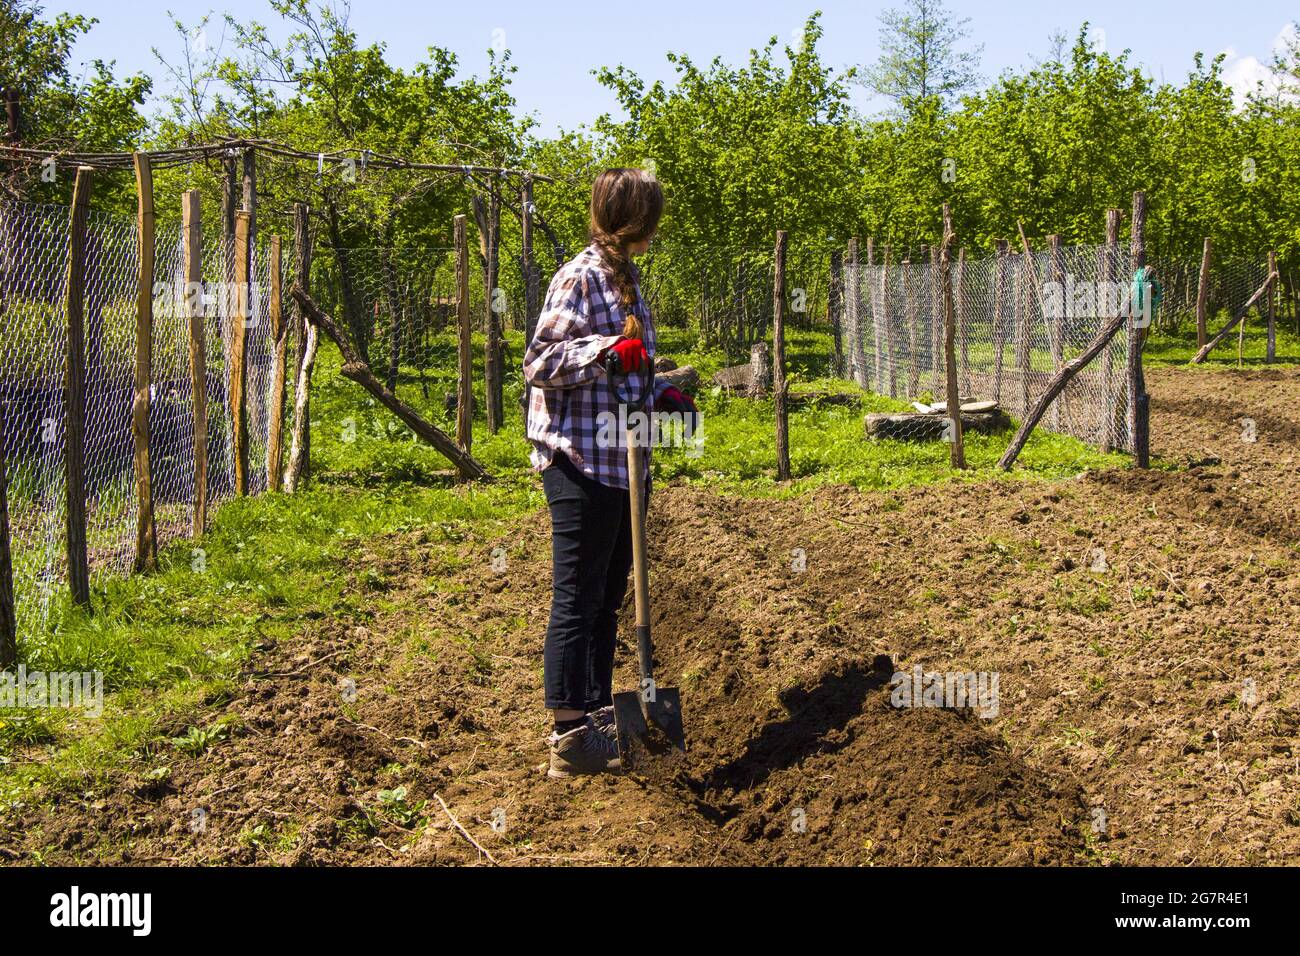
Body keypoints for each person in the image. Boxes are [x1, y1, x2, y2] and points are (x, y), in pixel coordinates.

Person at [523, 167, 696, 778]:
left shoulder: (626, 282)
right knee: (577, 594)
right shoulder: (579, 277)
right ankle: (569, 738)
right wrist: (601, 351)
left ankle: (597, 711)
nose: (654, 230)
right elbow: (539, 362)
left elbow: (630, 373)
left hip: (623, 460)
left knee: (606, 596)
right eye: (650, 219)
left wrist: (660, 397)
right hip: (578, 458)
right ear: (632, 220)